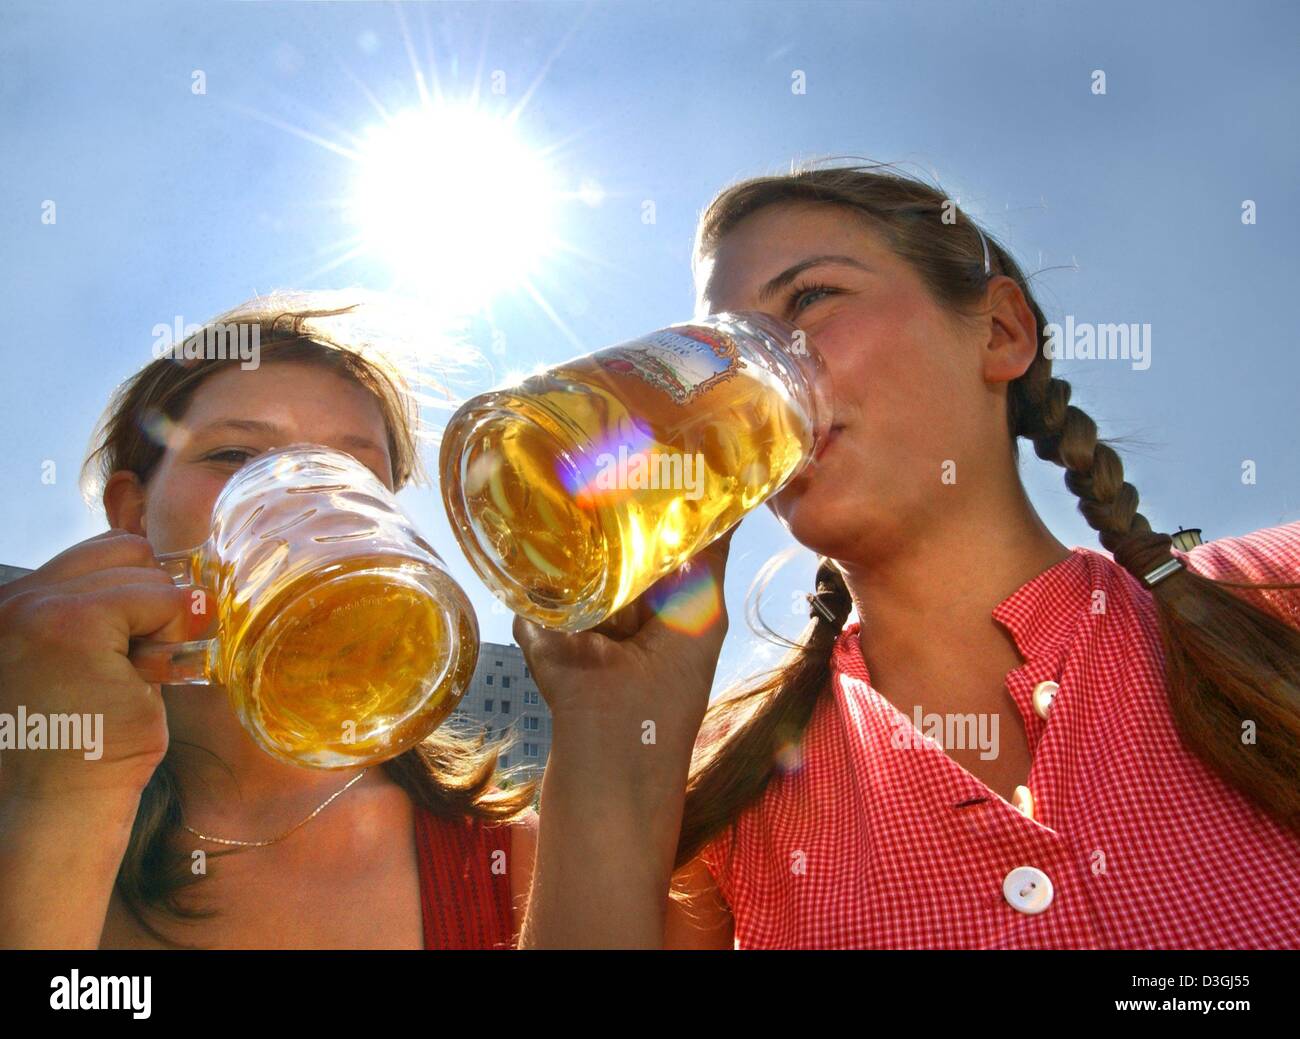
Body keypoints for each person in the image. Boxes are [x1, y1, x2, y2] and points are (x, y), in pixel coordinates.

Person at [516, 162, 1300, 949]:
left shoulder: (1273, 602)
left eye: (810, 299)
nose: (751, 380)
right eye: (720, 349)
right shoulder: (721, 797)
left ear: (1000, 333)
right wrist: (610, 736)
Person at [0, 293, 536, 949]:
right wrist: (57, 810)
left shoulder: (514, 864)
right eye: (234, 455)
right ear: (135, 514)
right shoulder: (26, 796)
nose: (305, 496)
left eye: (352, 470)